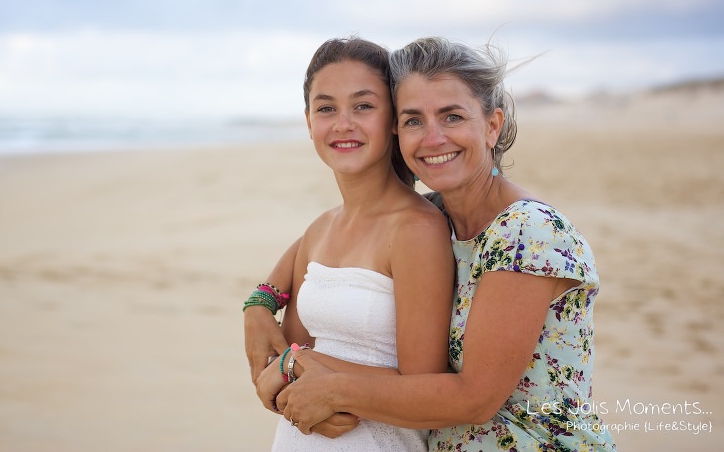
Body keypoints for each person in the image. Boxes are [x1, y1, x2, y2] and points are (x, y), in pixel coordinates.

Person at [254, 37, 618, 451]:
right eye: (413, 120)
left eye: (452, 117)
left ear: (492, 126)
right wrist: (260, 300)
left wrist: (319, 377)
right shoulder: (440, 213)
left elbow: (474, 398)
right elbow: (330, 238)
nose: (432, 138)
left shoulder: (527, 233)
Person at [243, 37, 455, 451]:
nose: (343, 123)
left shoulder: (416, 229)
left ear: (393, 119)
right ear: (308, 122)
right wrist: (259, 304)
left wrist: (309, 370)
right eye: (326, 108)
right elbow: (286, 360)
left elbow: (425, 391)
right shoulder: (321, 228)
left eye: (363, 106)